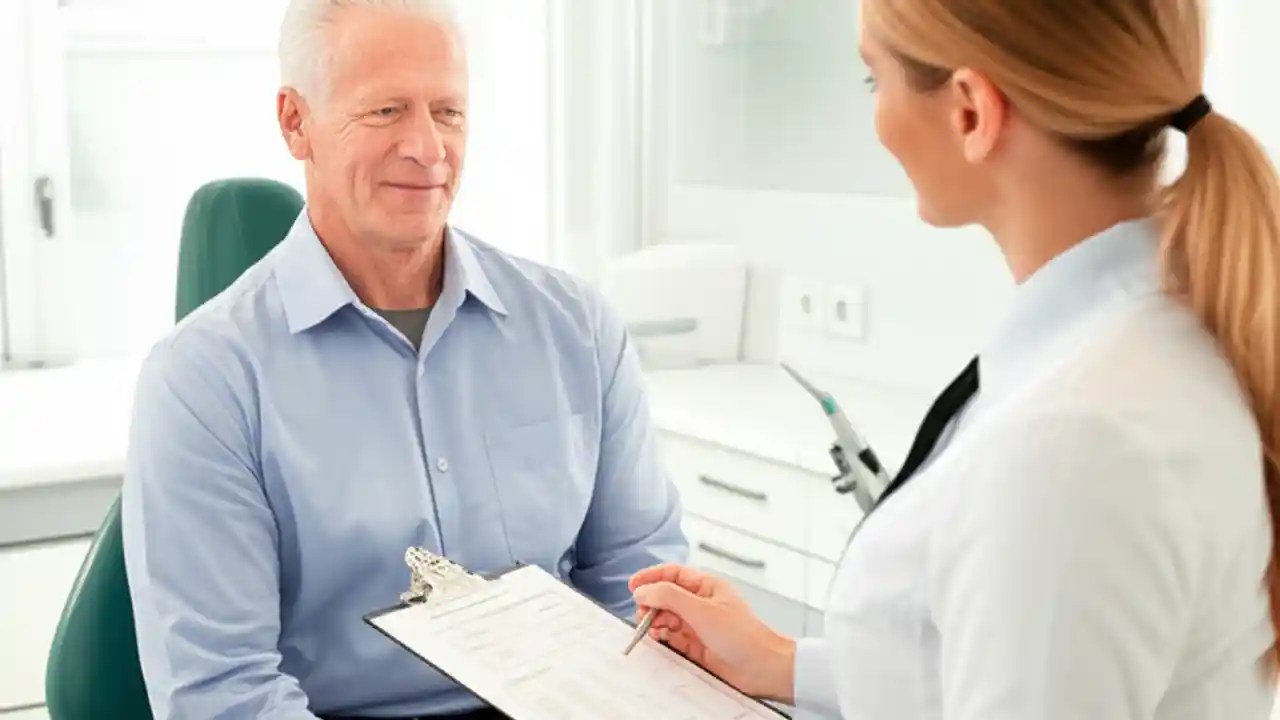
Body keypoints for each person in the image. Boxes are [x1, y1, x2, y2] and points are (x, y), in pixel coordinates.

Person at [631, 1, 1280, 718]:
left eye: (873, 81)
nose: (875, 120)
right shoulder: (1156, 341)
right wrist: (780, 663)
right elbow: (1023, 658)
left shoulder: (1072, 445)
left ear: (971, 110)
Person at [121, 1, 686, 718]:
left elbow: (638, 592)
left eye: (447, 112)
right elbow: (221, 692)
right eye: (386, 111)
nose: (427, 147)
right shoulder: (203, 380)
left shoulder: (576, 328)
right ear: (296, 123)